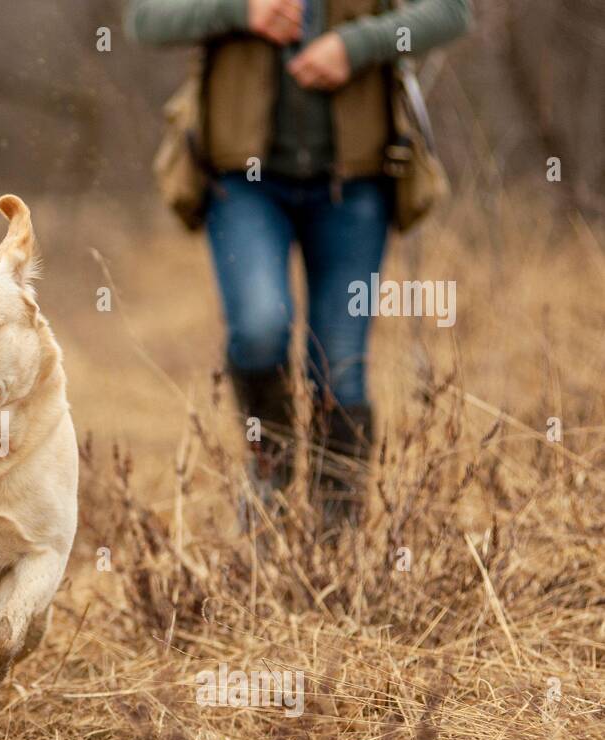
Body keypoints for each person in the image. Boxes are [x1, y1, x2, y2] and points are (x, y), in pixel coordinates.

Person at [127, 0, 471, 522]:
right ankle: (271, 493)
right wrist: (241, 12)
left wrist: (355, 46)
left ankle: (336, 549)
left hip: (355, 185)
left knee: (340, 368)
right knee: (261, 327)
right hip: (241, 183)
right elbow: (145, 19)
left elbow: (452, 12)